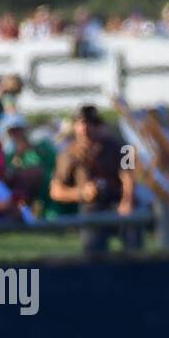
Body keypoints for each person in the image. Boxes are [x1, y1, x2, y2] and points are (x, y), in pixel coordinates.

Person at [50, 104, 140, 253]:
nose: (85, 129)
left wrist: (127, 200)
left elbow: (129, 171)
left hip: (117, 202)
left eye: (91, 124)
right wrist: (81, 193)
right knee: (94, 253)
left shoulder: (117, 145)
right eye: (81, 124)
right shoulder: (68, 154)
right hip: (91, 206)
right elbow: (55, 191)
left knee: (133, 241)